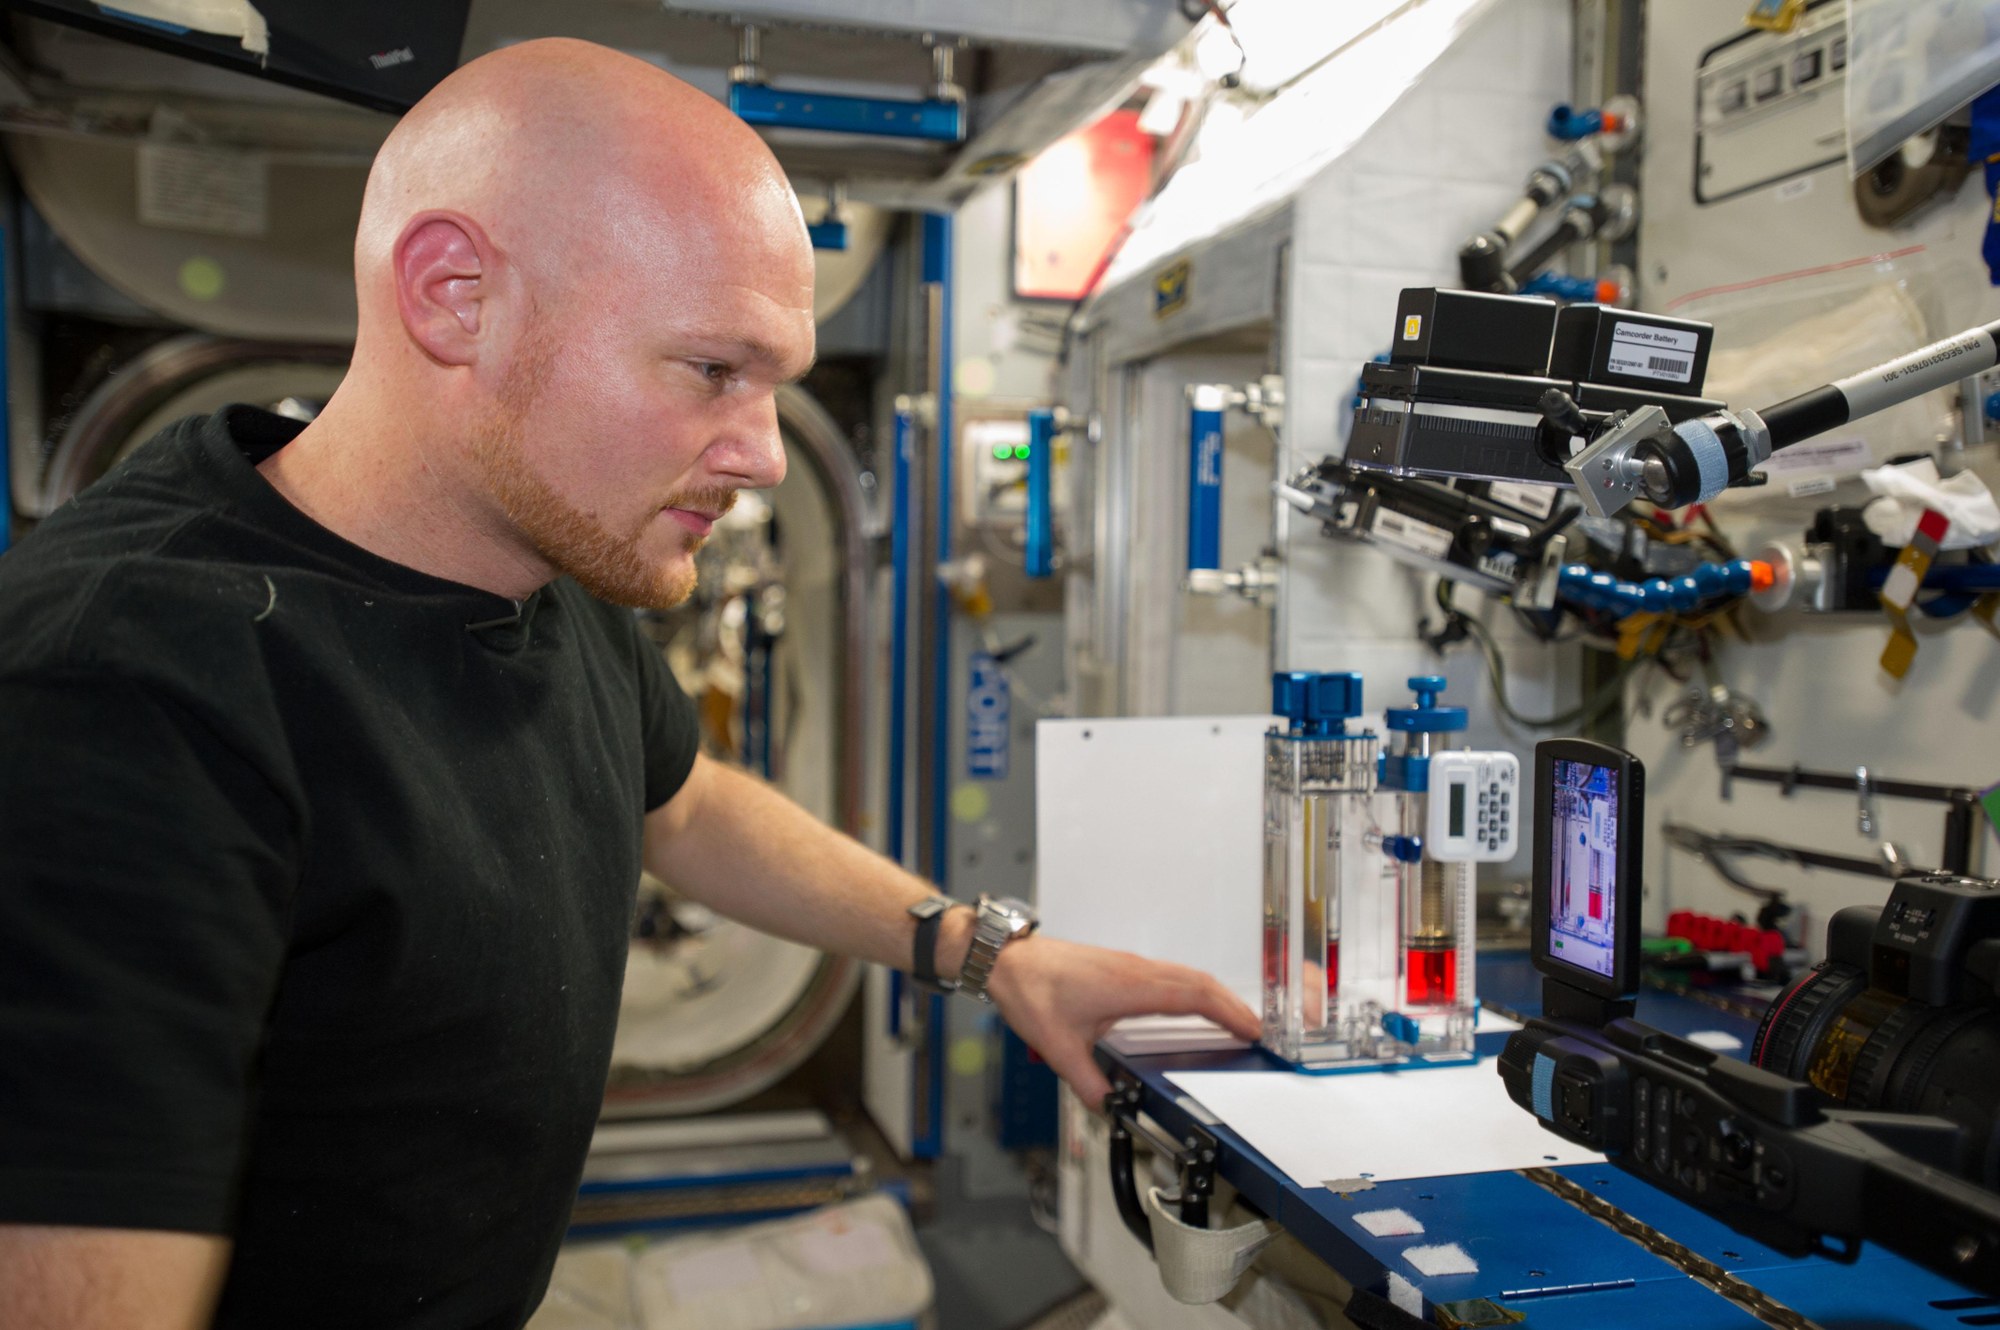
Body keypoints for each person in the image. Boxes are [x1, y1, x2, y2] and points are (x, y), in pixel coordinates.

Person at [0, 36, 1258, 1330]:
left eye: (778, 388)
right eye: (713, 370)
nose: (768, 457)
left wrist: (984, 952)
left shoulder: (547, 560)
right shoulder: (124, 696)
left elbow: (685, 802)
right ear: (454, 297)